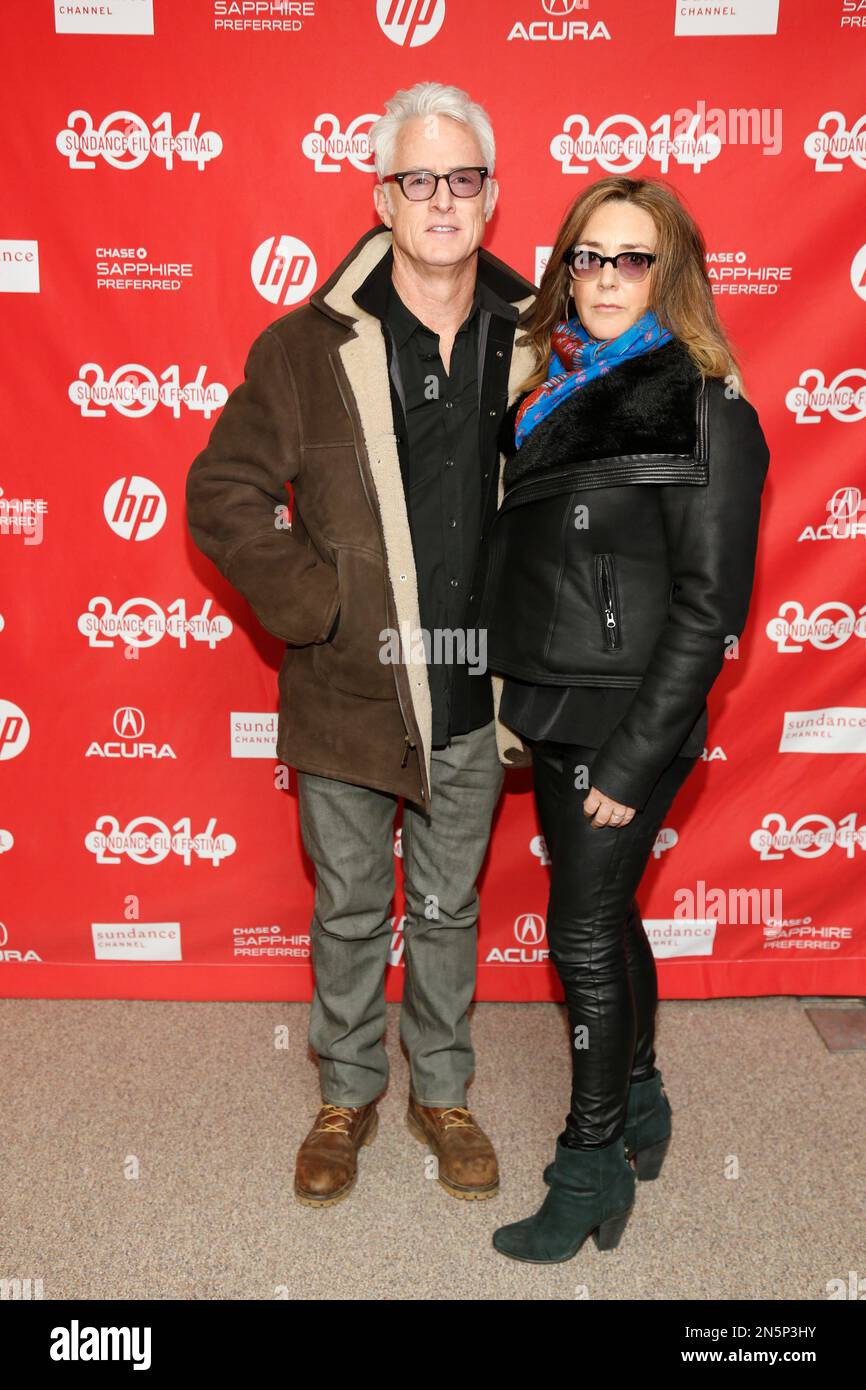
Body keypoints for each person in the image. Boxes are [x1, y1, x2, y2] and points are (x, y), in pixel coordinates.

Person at [185, 82, 537, 1207]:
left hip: (474, 687)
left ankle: (442, 1090)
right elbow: (223, 491)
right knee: (347, 905)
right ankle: (344, 1093)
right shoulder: (303, 345)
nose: (442, 200)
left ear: (489, 192)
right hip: (346, 687)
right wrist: (319, 601)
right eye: (418, 179)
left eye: (463, 177)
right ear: (382, 195)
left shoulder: (538, 340)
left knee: (444, 904)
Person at [478, 175, 770, 1262]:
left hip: (629, 720)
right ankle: (640, 1099)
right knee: (603, 913)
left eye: (630, 258)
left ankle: (590, 1160)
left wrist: (635, 755)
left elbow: (707, 607)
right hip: (555, 702)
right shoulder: (546, 398)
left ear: (670, 271)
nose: (603, 278)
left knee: (581, 930)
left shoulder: (705, 402)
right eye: (586, 256)